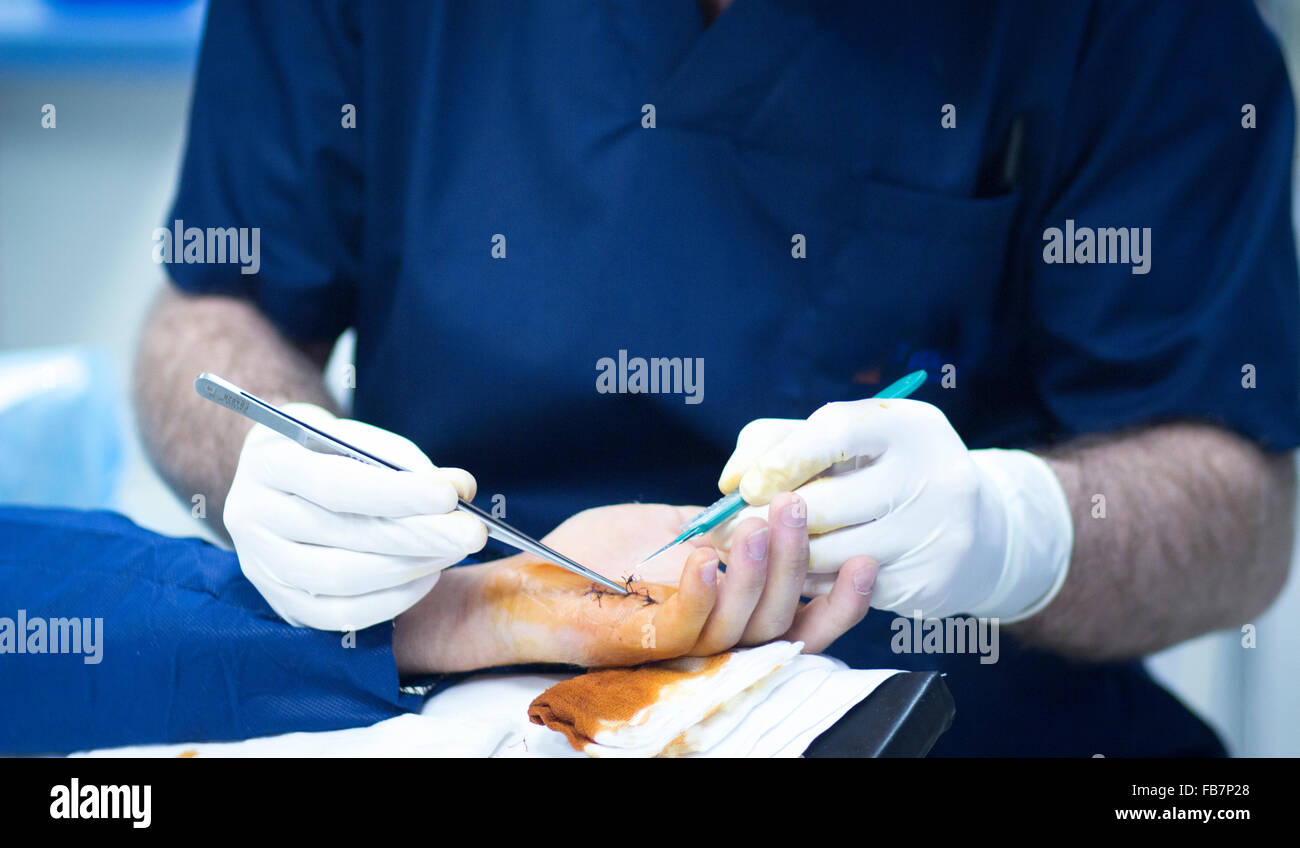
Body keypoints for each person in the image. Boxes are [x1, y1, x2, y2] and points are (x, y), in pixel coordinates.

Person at [133, 0, 1298, 756]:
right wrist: (273, 455)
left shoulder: (1141, 30)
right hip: (455, 684)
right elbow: (214, 307)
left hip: (958, 706)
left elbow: (1239, 508)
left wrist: (1020, 529)